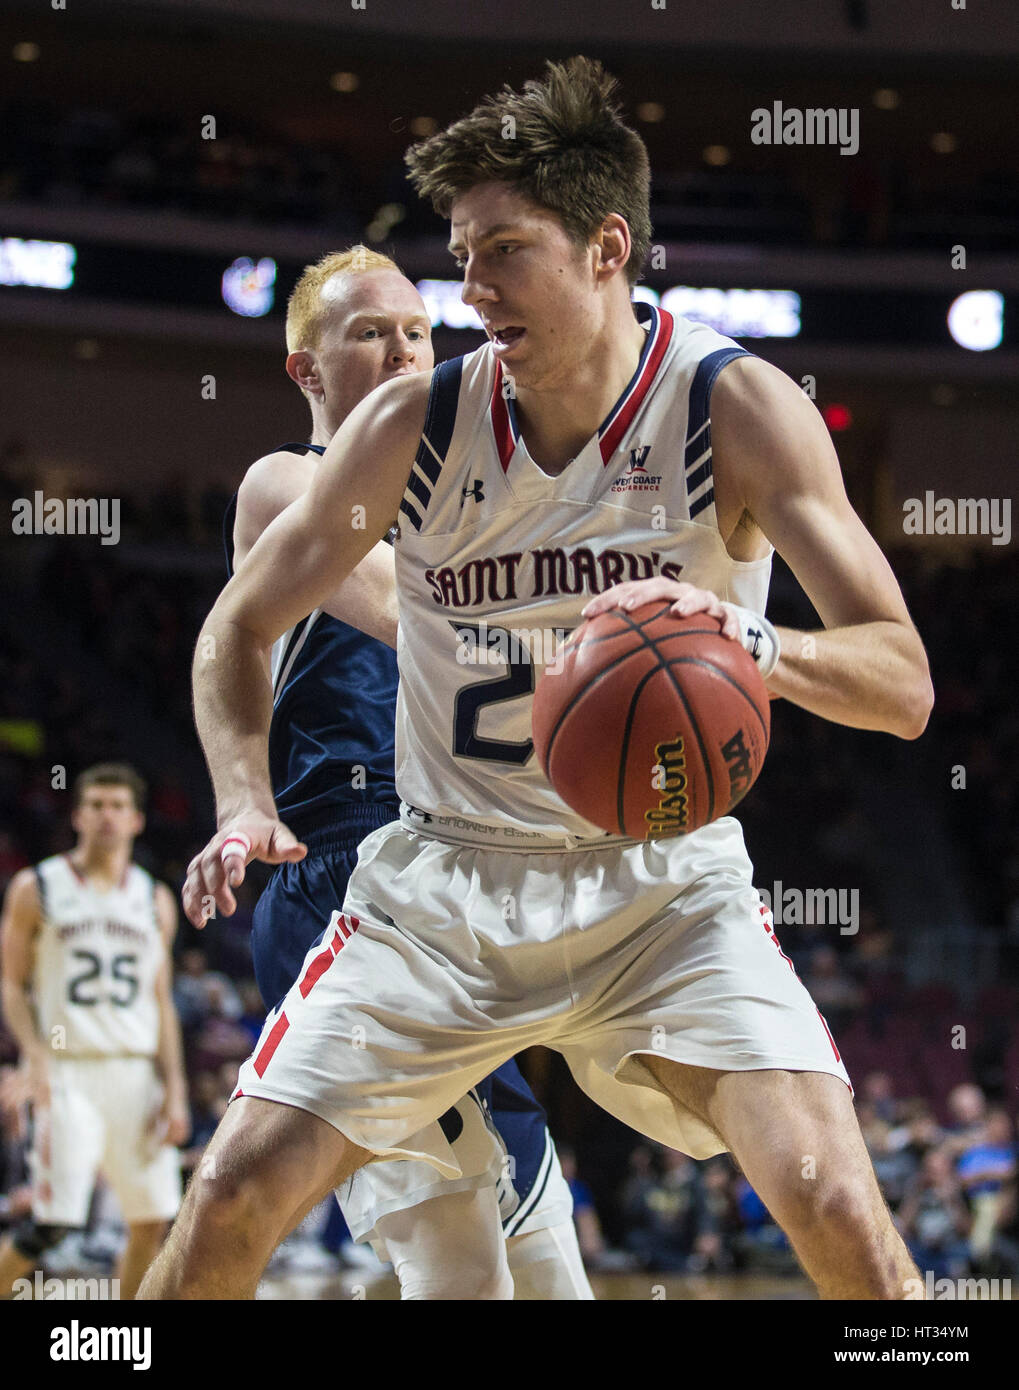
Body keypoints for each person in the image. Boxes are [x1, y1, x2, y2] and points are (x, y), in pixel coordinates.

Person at [141, 55, 933, 1301]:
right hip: (445, 881)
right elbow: (234, 629)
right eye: (461, 253)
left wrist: (749, 647)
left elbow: (902, 684)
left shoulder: (733, 409)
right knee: (233, 1199)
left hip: (662, 892)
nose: (468, 289)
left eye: (502, 249)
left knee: (834, 1199)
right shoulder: (414, 426)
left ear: (606, 246)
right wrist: (246, 798)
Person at [226, 246, 587, 1299]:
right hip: (344, 877)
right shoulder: (283, 484)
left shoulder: (466, 507)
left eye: (418, 331)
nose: (403, 349)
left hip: (456, 881)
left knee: (547, 1266)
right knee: (455, 1265)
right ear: (305, 370)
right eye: (368, 331)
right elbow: (408, 610)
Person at [0, 763, 187, 1299]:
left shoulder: (155, 899)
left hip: (135, 1072)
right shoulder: (36, 887)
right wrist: (34, 1055)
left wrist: (174, 1088)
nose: (107, 816)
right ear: (77, 814)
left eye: (118, 806)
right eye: (96, 805)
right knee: (52, 1223)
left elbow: (161, 1002)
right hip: (68, 1070)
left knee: (151, 1220)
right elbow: (11, 986)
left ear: (137, 821)